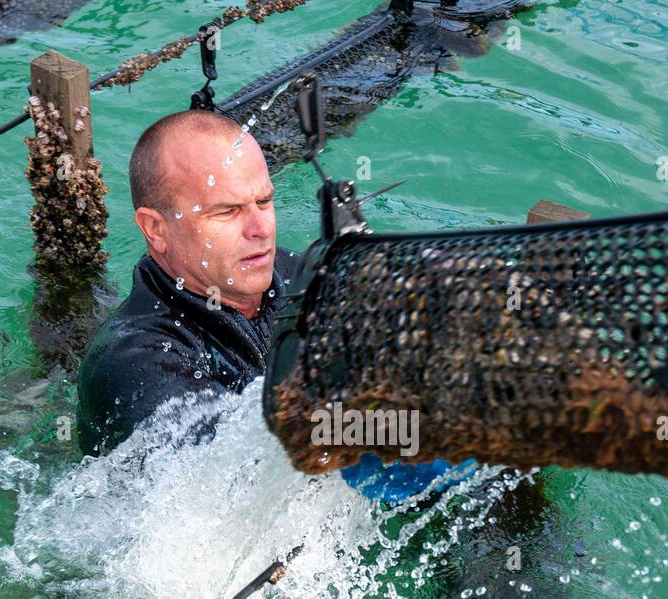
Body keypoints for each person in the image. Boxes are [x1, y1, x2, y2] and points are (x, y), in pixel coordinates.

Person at [77, 109, 458, 501]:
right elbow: (232, 478)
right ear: (156, 229)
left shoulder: (291, 274)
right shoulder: (133, 362)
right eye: (227, 211)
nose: (261, 229)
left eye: (264, 201)